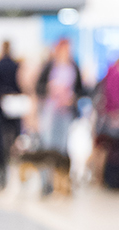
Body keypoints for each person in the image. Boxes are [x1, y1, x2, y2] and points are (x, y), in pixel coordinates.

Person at [34, 37, 85, 193]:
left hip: (65, 112)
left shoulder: (74, 67)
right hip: (50, 112)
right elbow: (38, 87)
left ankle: (62, 183)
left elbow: (81, 90)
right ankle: (45, 183)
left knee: (62, 148)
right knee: (47, 146)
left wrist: (72, 98)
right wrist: (50, 88)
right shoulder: (49, 66)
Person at [91, 52, 119, 189]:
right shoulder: (117, 73)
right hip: (114, 115)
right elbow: (117, 95)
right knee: (114, 146)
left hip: (108, 115)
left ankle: (100, 177)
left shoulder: (111, 72)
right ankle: (109, 178)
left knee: (104, 147)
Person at [0, 40, 22, 187]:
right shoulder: (16, 66)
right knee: (16, 137)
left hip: (0, 105)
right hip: (15, 104)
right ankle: (16, 165)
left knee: (0, 138)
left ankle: (0, 167)